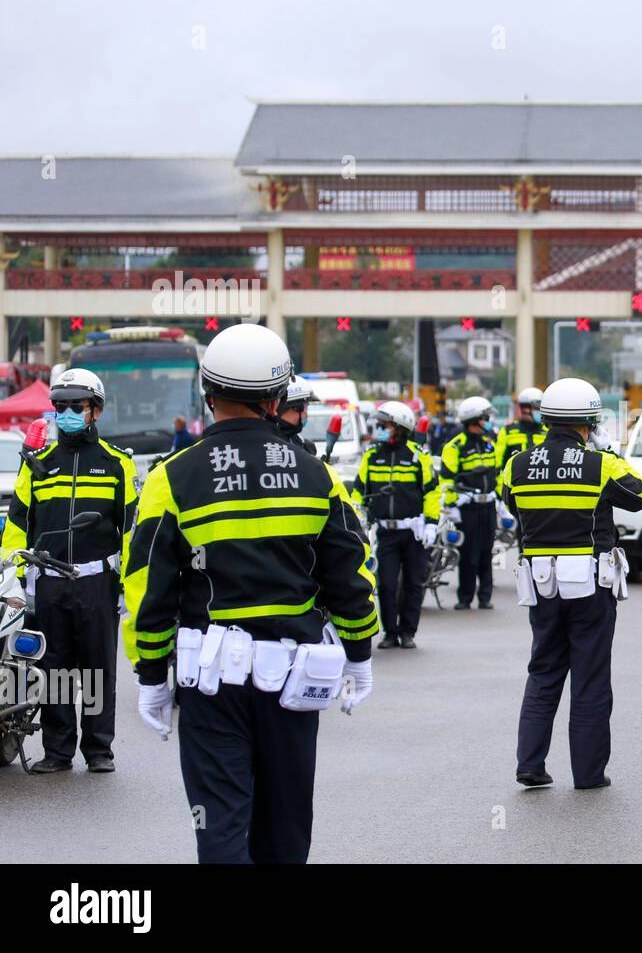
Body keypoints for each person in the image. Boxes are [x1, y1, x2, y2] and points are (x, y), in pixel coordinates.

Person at [124, 323, 378, 864]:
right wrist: (359, 652)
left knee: (218, 825)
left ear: (207, 393)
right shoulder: (317, 475)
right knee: (285, 829)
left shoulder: (171, 479)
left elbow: (147, 585)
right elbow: (350, 570)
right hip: (293, 682)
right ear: (277, 396)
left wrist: (150, 674)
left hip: (211, 686)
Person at [501, 378, 642, 789]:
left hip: (541, 585)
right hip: (590, 586)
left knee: (544, 671)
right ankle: (587, 774)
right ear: (590, 421)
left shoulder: (516, 464)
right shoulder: (601, 464)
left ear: (546, 419)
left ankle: (529, 764)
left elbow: (511, 501)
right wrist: (609, 452)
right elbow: (640, 494)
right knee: (589, 677)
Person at [1, 368, 137, 774]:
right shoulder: (38, 464)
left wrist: (127, 583)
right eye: (59, 406)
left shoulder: (117, 465)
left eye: (75, 406)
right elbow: (18, 524)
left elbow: (130, 529)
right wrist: (12, 567)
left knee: (96, 668)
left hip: (97, 581)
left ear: (95, 410)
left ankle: (98, 750)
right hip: (49, 582)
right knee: (54, 668)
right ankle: (58, 751)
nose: (66, 413)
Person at [352, 400, 439, 648]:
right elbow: (359, 492)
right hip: (386, 533)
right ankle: (390, 633)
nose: (379, 429)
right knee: (387, 584)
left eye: (384, 424)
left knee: (414, 583)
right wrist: (358, 515)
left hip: (414, 532)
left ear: (400, 427)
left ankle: (407, 632)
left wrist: (431, 523)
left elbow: (432, 492)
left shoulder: (418, 456)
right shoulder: (371, 456)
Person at [439, 396, 498, 610]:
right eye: (485, 417)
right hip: (468, 506)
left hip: (488, 505)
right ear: (474, 419)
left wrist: (500, 499)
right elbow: (446, 480)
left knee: (486, 551)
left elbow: (497, 473)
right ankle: (465, 597)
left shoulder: (490, 441)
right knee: (468, 553)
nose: (488, 420)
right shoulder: (455, 445)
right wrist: (453, 504)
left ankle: (485, 596)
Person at [494, 386, 547, 472]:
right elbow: (498, 464)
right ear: (525, 409)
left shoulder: (547, 431)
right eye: (536, 408)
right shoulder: (507, 432)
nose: (539, 411)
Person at [276, 377, 319, 455]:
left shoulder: (297, 440)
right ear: (296, 407)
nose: (306, 414)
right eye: (305, 407)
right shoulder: (273, 441)